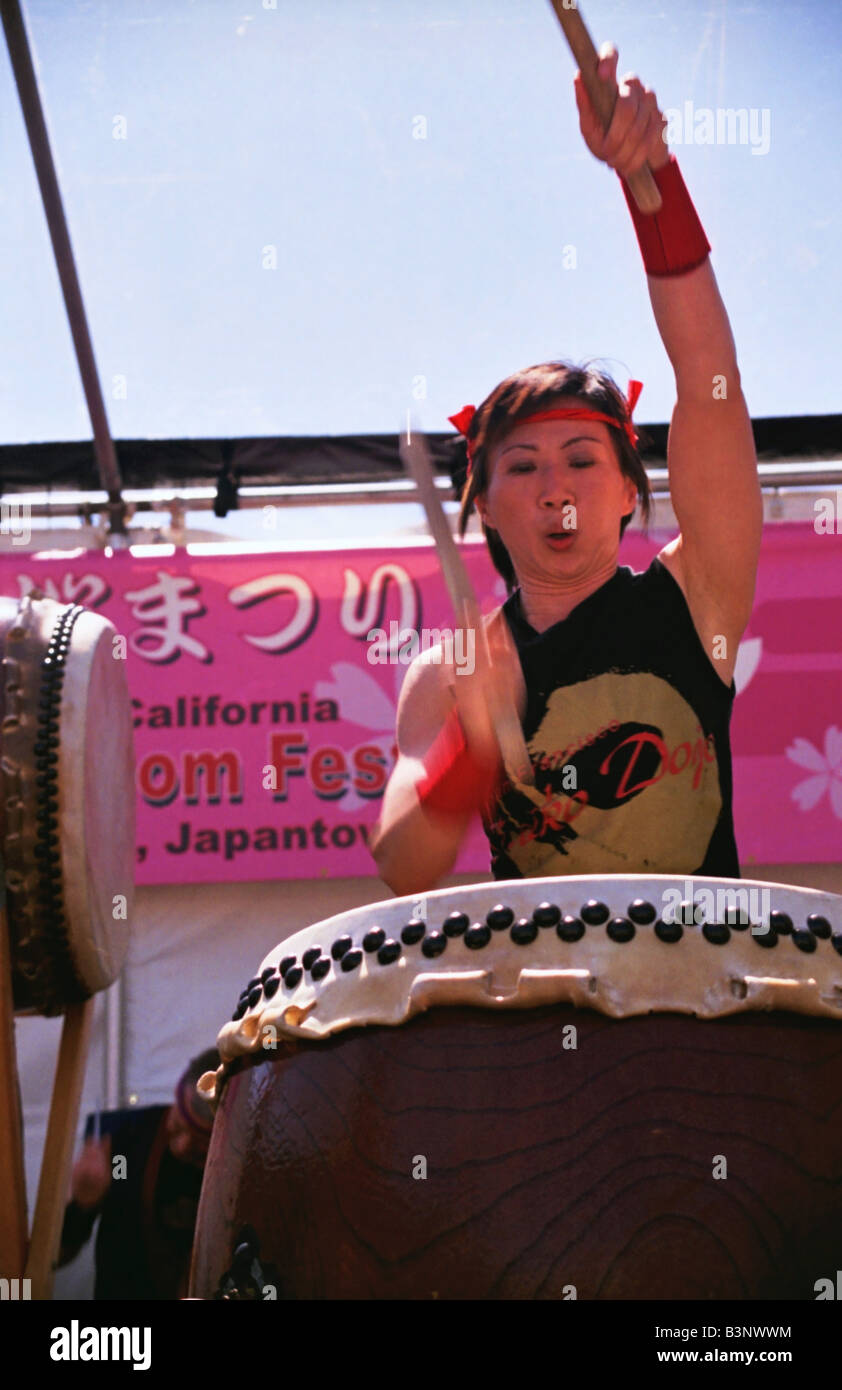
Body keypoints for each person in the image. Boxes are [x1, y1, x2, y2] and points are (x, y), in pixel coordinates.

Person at [371, 44, 762, 896]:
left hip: (708, 1000)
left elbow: (710, 378)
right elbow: (403, 869)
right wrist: (465, 759)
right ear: (485, 507)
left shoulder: (698, 599)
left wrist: (650, 179)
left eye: (584, 459)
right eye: (521, 467)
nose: (555, 487)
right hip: (542, 1007)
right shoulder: (452, 672)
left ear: (630, 490)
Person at [58, 1048, 219, 1300]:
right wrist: (82, 1205)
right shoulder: (124, 1140)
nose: (182, 1147)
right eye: (176, 1128)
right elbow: (56, 1256)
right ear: (177, 1099)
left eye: (201, 1148)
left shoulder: (240, 1173)